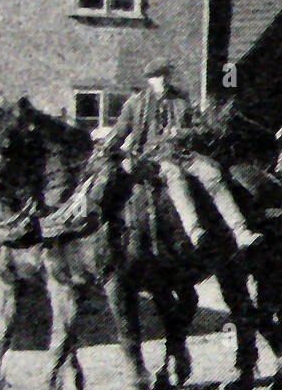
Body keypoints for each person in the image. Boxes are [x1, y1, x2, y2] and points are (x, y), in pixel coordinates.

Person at [98, 59, 262, 250]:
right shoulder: (135, 104)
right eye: (158, 76)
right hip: (152, 159)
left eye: (166, 75)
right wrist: (106, 150)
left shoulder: (181, 100)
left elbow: (200, 128)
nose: (163, 80)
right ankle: (194, 230)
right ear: (149, 80)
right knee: (173, 175)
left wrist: (182, 132)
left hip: (182, 154)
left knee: (212, 174)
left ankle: (240, 231)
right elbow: (119, 132)